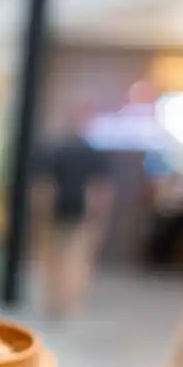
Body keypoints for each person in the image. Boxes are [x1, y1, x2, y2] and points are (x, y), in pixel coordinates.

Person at [30, 119, 114, 317]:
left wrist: (41, 215)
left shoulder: (54, 150)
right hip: (80, 213)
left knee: (54, 259)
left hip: (57, 212)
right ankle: (67, 301)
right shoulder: (92, 154)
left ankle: (54, 299)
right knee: (76, 259)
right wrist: (98, 219)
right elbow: (100, 189)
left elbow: (43, 187)